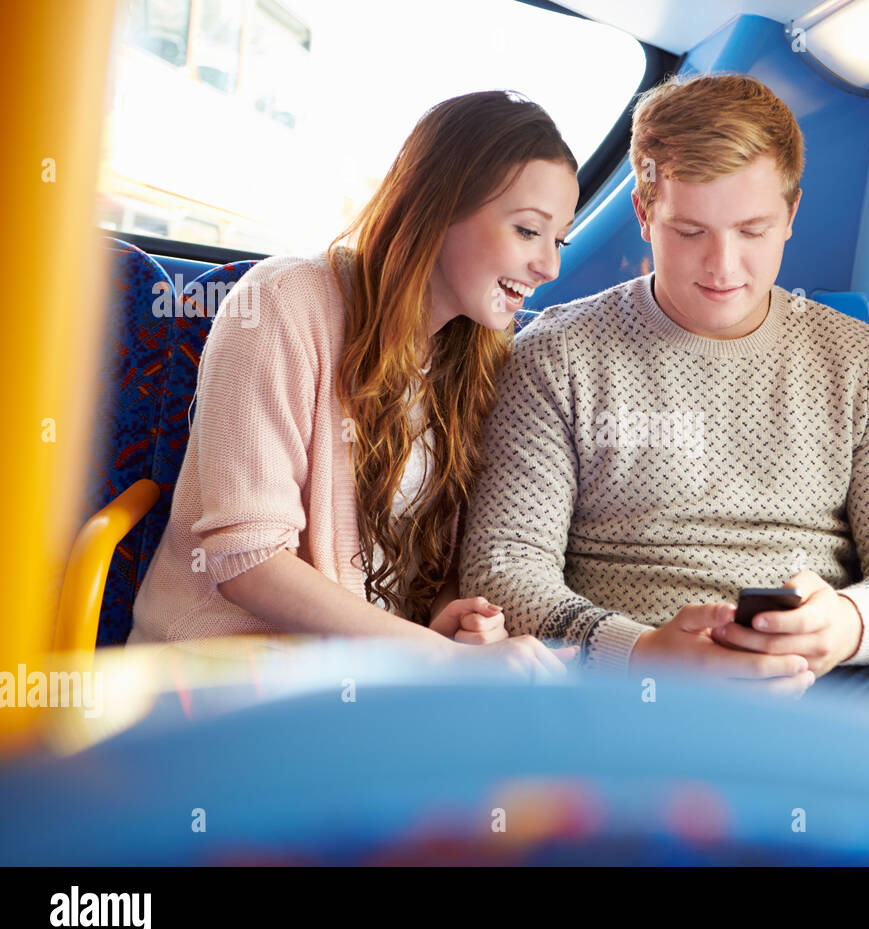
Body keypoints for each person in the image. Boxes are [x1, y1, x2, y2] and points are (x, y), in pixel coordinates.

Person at [458, 74, 869, 749]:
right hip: (634, 692)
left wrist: (850, 623)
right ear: (643, 212)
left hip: (833, 688)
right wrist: (645, 652)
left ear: (792, 213)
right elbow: (504, 568)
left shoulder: (860, 364)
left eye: (753, 230)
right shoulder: (553, 356)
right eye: (690, 231)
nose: (723, 265)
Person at [129, 91, 579, 682]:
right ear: (439, 206)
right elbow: (247, 561)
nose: (550, 266)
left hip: (360, 683)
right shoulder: (281, 304)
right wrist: (437, 657)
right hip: (217, 676)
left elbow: (426, 569)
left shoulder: (476, 357)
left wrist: (453, 625)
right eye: (528, 231)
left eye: (560, 241)